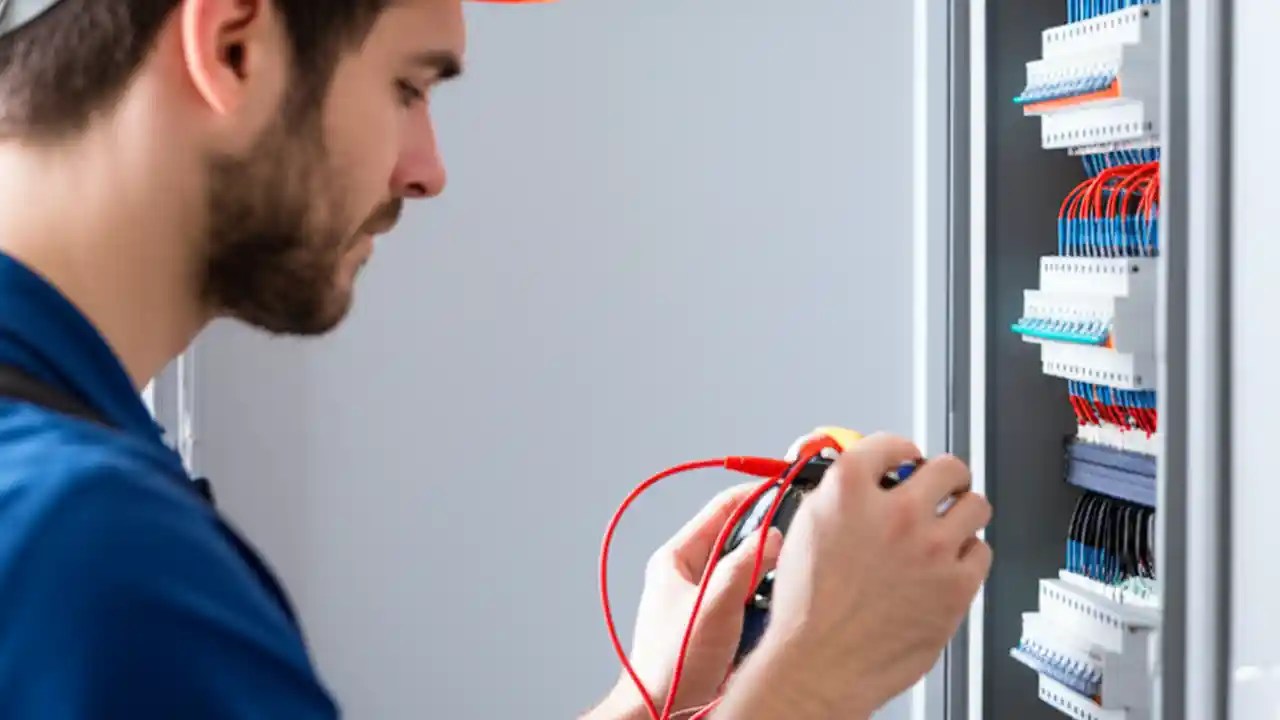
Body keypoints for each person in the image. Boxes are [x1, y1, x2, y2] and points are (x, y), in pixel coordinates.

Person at [0, 0, 993, 718]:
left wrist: (647, 701)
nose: (427, 170)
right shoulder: (92, 553)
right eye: (407, 86)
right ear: (233, 44)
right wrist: (810, 682)